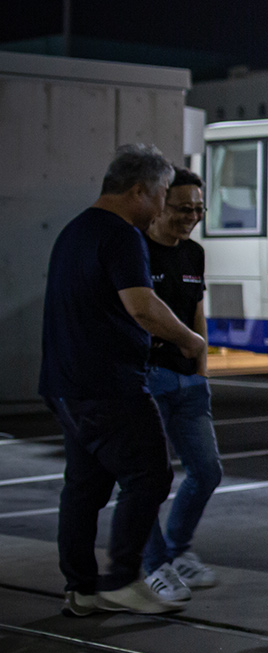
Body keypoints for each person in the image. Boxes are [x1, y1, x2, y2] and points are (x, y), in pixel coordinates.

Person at [42, 145, 207, 617]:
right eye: (161, 194)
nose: (161, 206)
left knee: (85, 487)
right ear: (138, 190)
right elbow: (142, 306)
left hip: (65, 384)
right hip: (109, 385)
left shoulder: (74, 231)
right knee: (150, 476)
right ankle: (121, 580)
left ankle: (80, 588)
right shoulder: (121, 236)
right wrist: (190, 340)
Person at [139, 168, 222, 603]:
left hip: (189, 380)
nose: (191, 216)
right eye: (183, 208)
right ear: (160, 205)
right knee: (147, 480)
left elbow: (197, 313)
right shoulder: (135, 250)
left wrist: (201, 370)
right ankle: (154, 565)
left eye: (198, 209)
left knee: (207, 471)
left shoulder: (194, 254)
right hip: (147, 380)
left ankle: (177, 550)